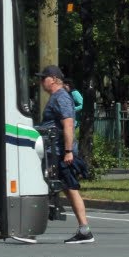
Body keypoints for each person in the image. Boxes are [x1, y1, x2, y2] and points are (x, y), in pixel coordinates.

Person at [39, 65, 94, 244]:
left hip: (59, 153)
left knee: (70, 188)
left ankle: (84, 230)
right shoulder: (56, 97)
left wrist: (68, 152)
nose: (40, 82)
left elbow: (68, 124)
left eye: (43, 78)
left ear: (53, 79)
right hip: (54, 152)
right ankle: (84, 230)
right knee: (68, 189)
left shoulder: (61, 97)